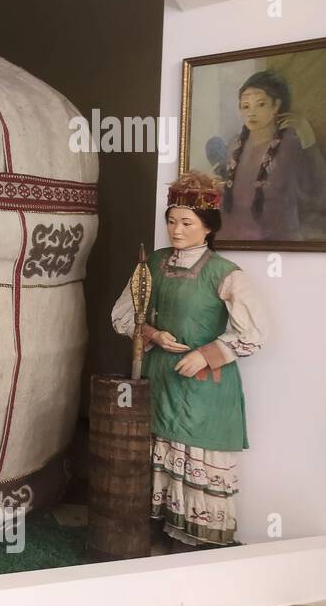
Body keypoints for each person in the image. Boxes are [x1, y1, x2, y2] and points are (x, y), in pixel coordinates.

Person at [110, 172, 267, 548]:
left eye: (186, 223)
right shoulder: (152, 264)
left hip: (202, 386)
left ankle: (194, 540)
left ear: (208, 228)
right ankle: (156, 530)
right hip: (158, 377)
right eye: (171, 221)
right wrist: (152, 334)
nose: (175, 231)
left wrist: (206, 354)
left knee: (194, 452)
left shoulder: (225, 273)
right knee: (155, 453)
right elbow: (121, 315)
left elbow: (255, 333)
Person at [218, 70, 326, 242]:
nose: (251, 113)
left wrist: (308, 136)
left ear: (276, 105)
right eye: (245, 106)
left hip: (280, 240)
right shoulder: (233, 145)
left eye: (260, 104)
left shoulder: (291, 145)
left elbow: (316, 191)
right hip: (231, 240)